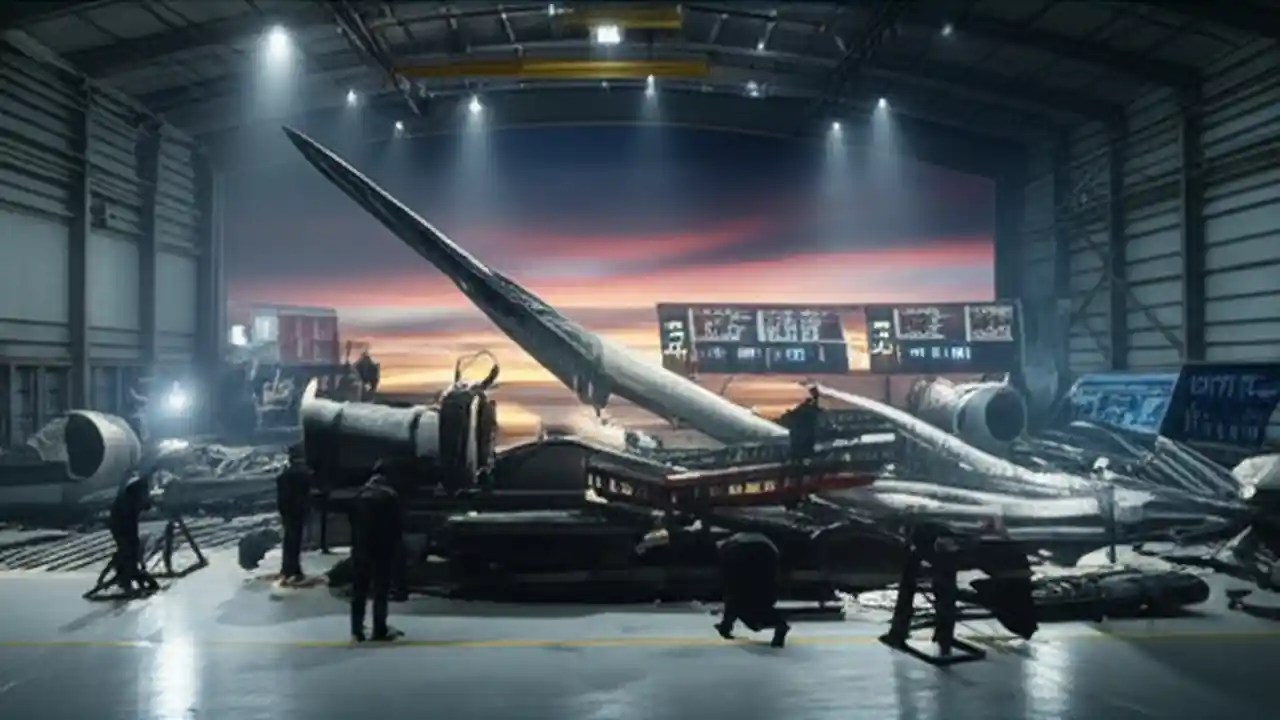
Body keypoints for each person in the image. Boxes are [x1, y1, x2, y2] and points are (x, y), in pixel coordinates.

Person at [349, 462, 405, 642]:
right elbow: (397, 526)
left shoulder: (359, 494)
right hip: (381, 549)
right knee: (380, 590)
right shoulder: (390, 495)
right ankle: (379, 629)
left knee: (359, 590)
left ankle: (357, 629)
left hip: (360, 549)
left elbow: (352, 522)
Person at [714, 532, 790, 648]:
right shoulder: (737, 539)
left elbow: (730, 585)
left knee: (737, 595)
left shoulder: (725, 548)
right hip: (767, 552)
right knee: (758, 597)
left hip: (743, 552)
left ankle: (730, 626)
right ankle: (778, 623)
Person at [109, 474, 159, 596]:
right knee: (127, 550)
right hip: (121, 527)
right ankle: (126, 579)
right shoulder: (127, 499)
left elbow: (145, 506)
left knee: (131, 549)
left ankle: (128, 575)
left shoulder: (133, 494)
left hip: (127, 526)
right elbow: (138, 508)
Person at [276, 444, 313, 583]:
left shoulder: (285, 475)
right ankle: (294, 569)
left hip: (288, 511)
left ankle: (287, 568)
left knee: (289, 540)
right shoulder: (305, 473)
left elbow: (282, 495)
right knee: (296, 540)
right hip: (299, 510)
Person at [788, 386, 822, 463]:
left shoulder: (804, 412)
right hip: (806, 430)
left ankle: (815, 394)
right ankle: (815, 394)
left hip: (803, 431)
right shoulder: (807, 412)